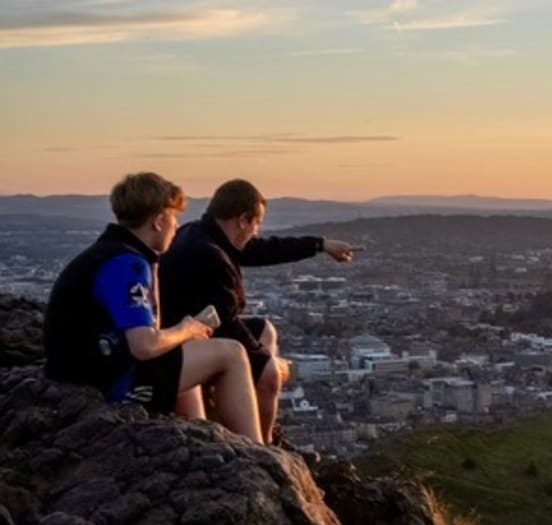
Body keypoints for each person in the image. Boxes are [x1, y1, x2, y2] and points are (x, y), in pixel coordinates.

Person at [43, 173, 264, 442]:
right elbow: (144, 346)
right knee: (232, 353)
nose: (176, 225)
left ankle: (201, 438)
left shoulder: (112, 252)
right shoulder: (128, 264)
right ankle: (255, 448)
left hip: (82, 371)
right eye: (174, 217)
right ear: (159, 220)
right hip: (107, 381)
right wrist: (187, 328)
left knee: (180, 355)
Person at [159, 179, 358, 444]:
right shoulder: (211, 256)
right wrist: (266, 362)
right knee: (270, 375)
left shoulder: (201, 233)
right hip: (181, 345)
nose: (257, 230)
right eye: (256, 222)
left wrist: (321, 245)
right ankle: (262, 447)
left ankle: (241, 415)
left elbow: (263, 249)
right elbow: (227, 323)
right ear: (242, 220)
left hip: (195, 332)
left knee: (265, 330)